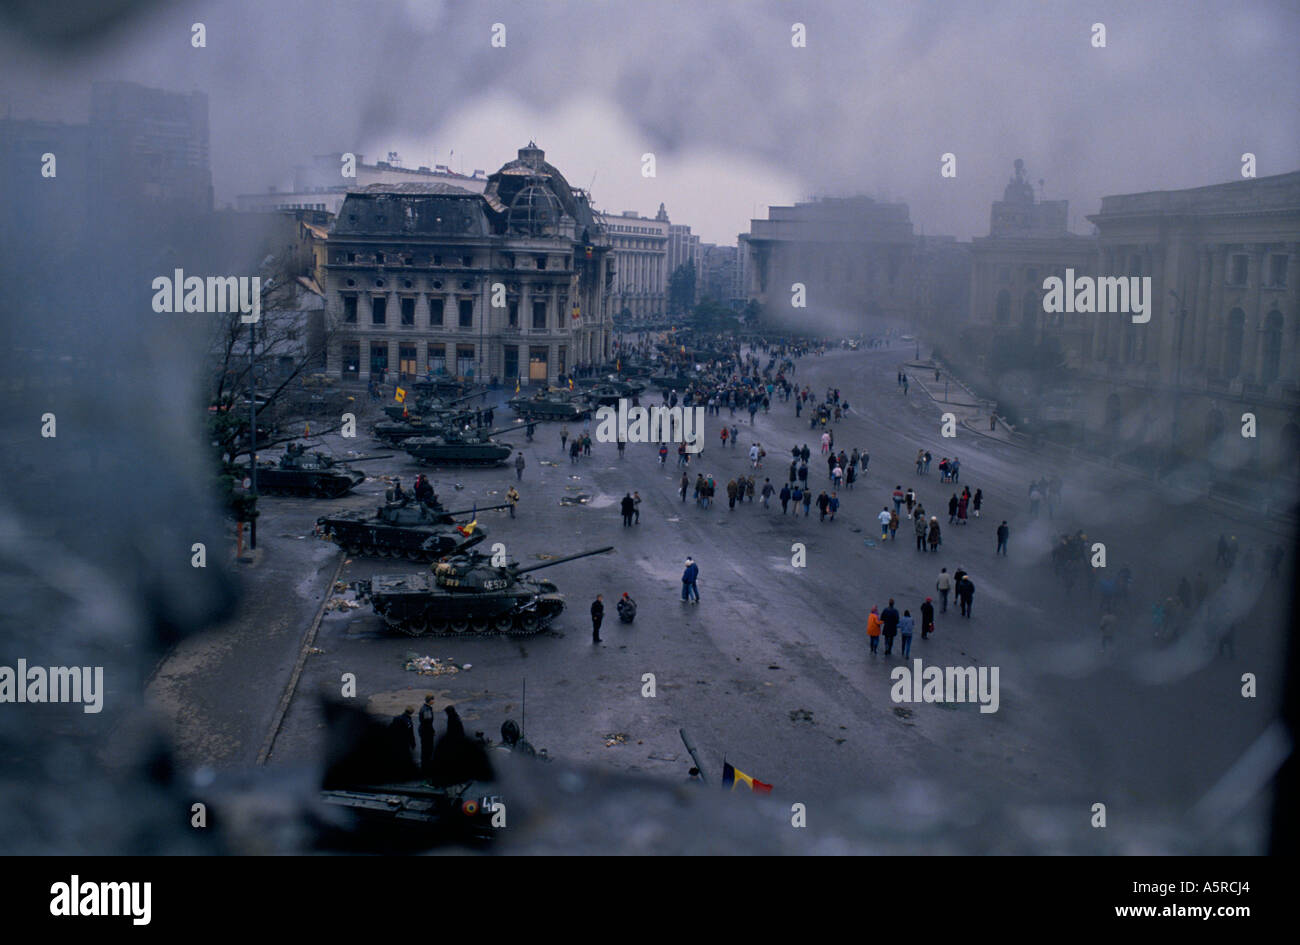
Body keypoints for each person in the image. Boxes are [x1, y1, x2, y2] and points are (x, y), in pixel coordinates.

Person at [418, 695, 437, 777]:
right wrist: (432, 731)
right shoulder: (427, 710)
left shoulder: (424, 708)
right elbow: (427, 723)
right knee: (427, 749)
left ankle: (425, 766)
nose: (434, 701)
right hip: (426, 733)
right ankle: (426, 767)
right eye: (433, 699)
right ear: (430, 700)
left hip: (424, 731)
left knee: (425, 749)